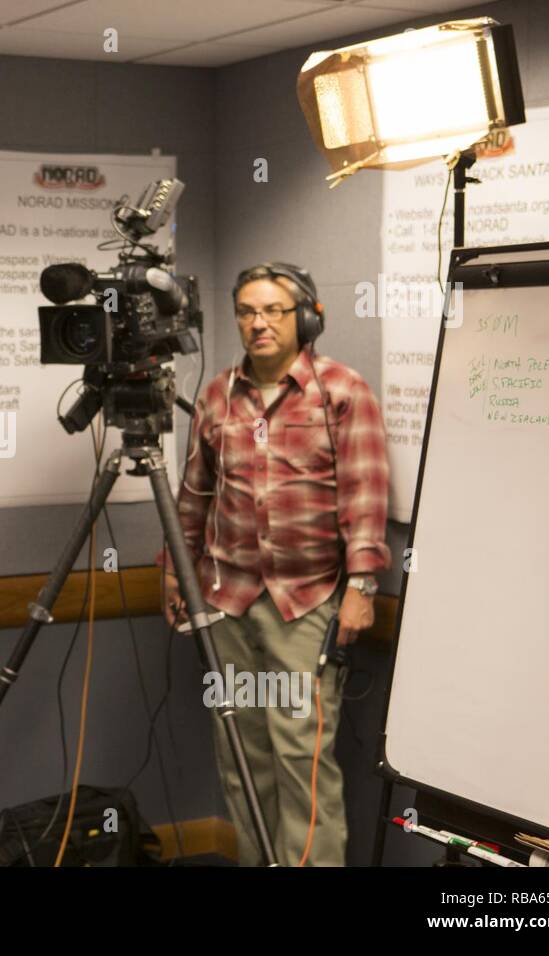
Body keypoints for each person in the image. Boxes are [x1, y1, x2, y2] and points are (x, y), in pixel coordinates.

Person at [166, 262, 390, 866]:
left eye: (273, 311)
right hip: (227, 600)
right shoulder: (217, 394)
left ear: (307, 318)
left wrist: (362, 584)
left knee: (300, 755)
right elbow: (195, 495)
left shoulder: (342, 391)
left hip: (307, 602)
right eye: (246, 311)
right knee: (241, 751)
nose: (258, 323)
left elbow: (365, 495)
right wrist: (176, 572)